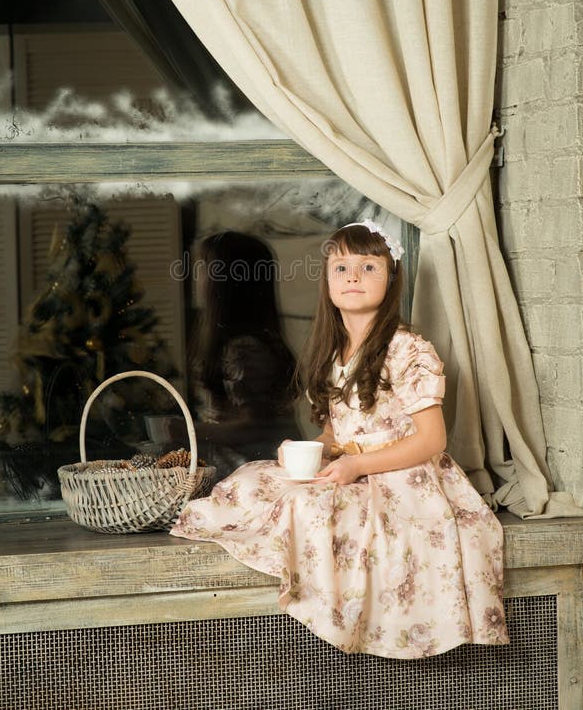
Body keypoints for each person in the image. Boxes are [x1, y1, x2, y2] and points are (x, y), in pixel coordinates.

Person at [170, 221, 509, 659]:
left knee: (306, 506)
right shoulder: (334, 351)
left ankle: (337, 618)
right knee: (251, 480)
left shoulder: (407, 349)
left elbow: (431, 440)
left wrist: (357, 466)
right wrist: (316, 449)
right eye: (341, 267)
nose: (353, 277)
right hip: (352, 466)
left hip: (400, 478)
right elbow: (337, 431)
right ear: (327, 280)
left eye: (369, 267)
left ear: (391, 278)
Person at [189, 231, 300, 479]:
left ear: (226, 283)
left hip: (255, 473)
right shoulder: (246, 343)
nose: (197, 278)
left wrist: (189, 431)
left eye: (203, 268)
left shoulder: (245, 350)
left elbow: (255, 427)